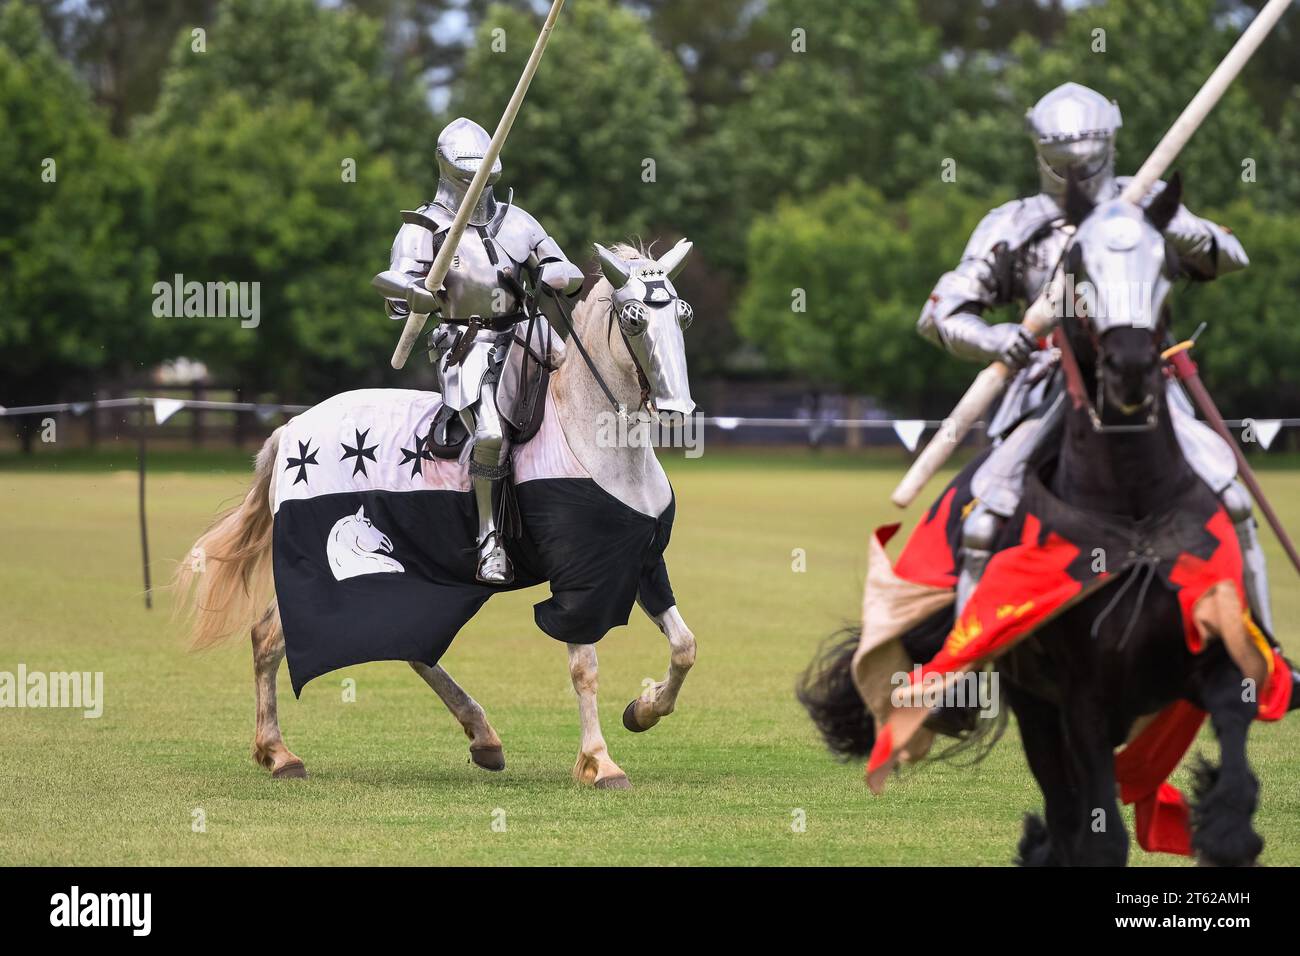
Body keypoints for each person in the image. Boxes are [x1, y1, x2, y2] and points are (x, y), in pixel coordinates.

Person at [373, 117, 583, 584]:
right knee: (488, 434)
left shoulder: (519, 222)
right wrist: (415, 294)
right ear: (449, 171)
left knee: (584, 400)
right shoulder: (424, 227)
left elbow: (563, 264)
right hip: (467, 345)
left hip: (529, 336)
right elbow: (393, 281)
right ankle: (491, 541)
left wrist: (557, 274)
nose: (478, 183)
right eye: (470, 174)